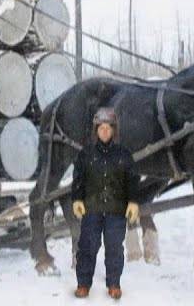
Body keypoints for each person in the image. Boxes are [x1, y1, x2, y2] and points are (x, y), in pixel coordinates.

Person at [70, 107, 140, 300]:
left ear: (114, 130)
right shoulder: (86, 154)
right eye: (101, 128)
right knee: (87, 246)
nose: (105, 132)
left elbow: (133, 180)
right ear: (96, 130)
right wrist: (77, 199)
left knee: (115, 248)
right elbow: (78, 179)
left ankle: (114, 283)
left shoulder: (124, 155)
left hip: (116, 211)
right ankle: (83, 284)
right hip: (92, 209)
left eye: (109, 128)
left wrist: (133, 202)